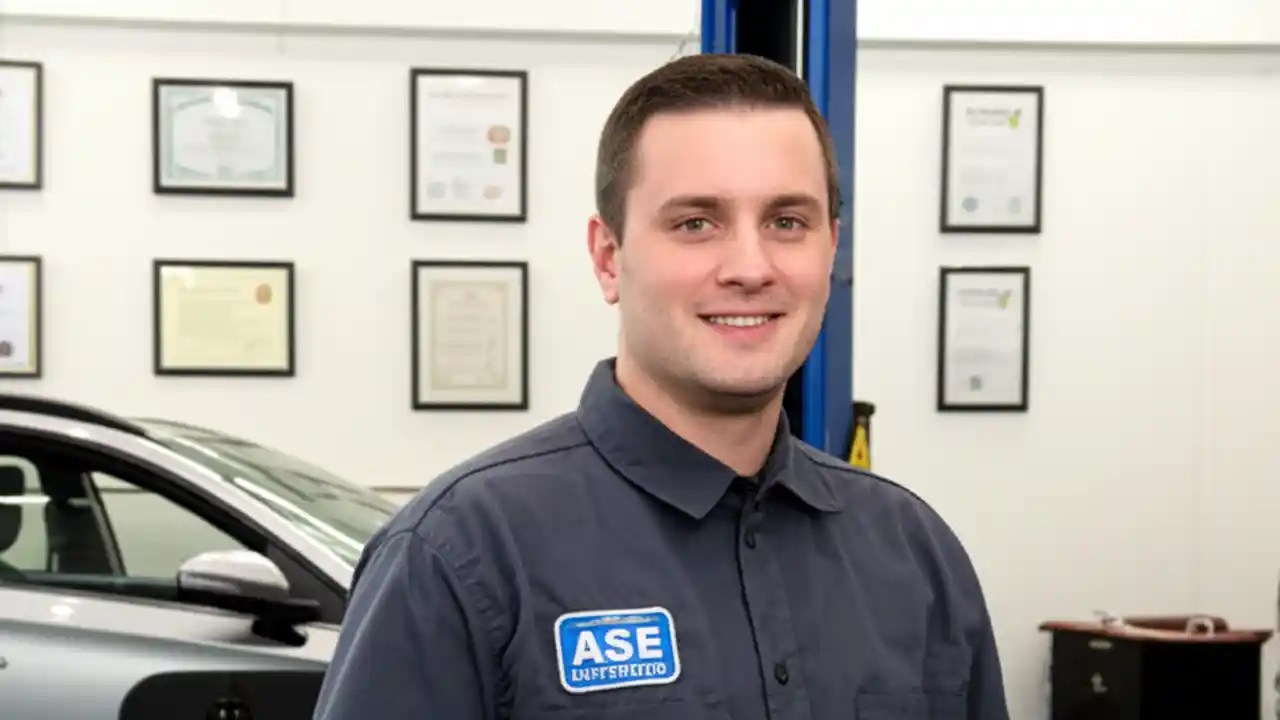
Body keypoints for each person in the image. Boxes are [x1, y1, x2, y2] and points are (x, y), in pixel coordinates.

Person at [313, 52, 1009, 720]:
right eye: (696, 223)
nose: (750, 267)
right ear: (608, 257)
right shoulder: (461, 555)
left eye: (786, 222)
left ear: (830, 246)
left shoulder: (915, 557)